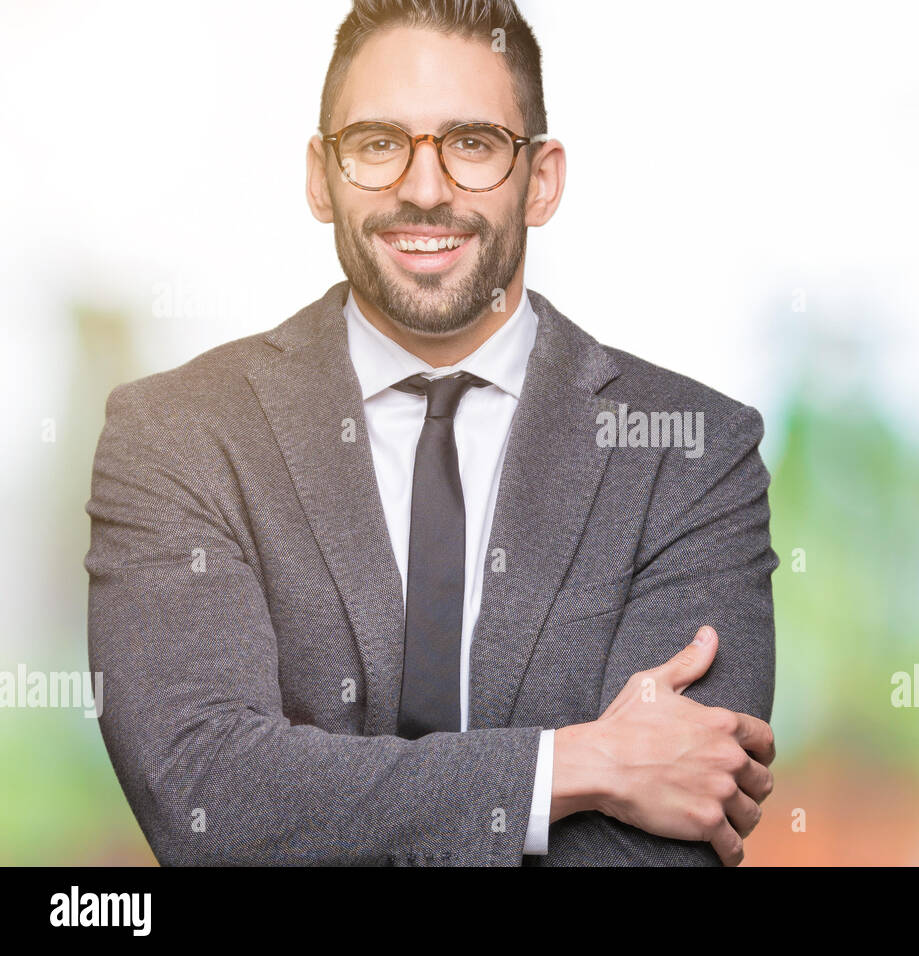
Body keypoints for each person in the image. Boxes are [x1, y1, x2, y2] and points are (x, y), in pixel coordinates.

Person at [84, 0, 777, 866]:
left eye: (473, 144)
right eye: (378, 143)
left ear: (544, 179)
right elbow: (208, 797)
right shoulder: (178, 437)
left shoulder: (689, 453)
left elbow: (672, 830)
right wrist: (571, 765)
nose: (423, 188)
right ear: (318, 175)